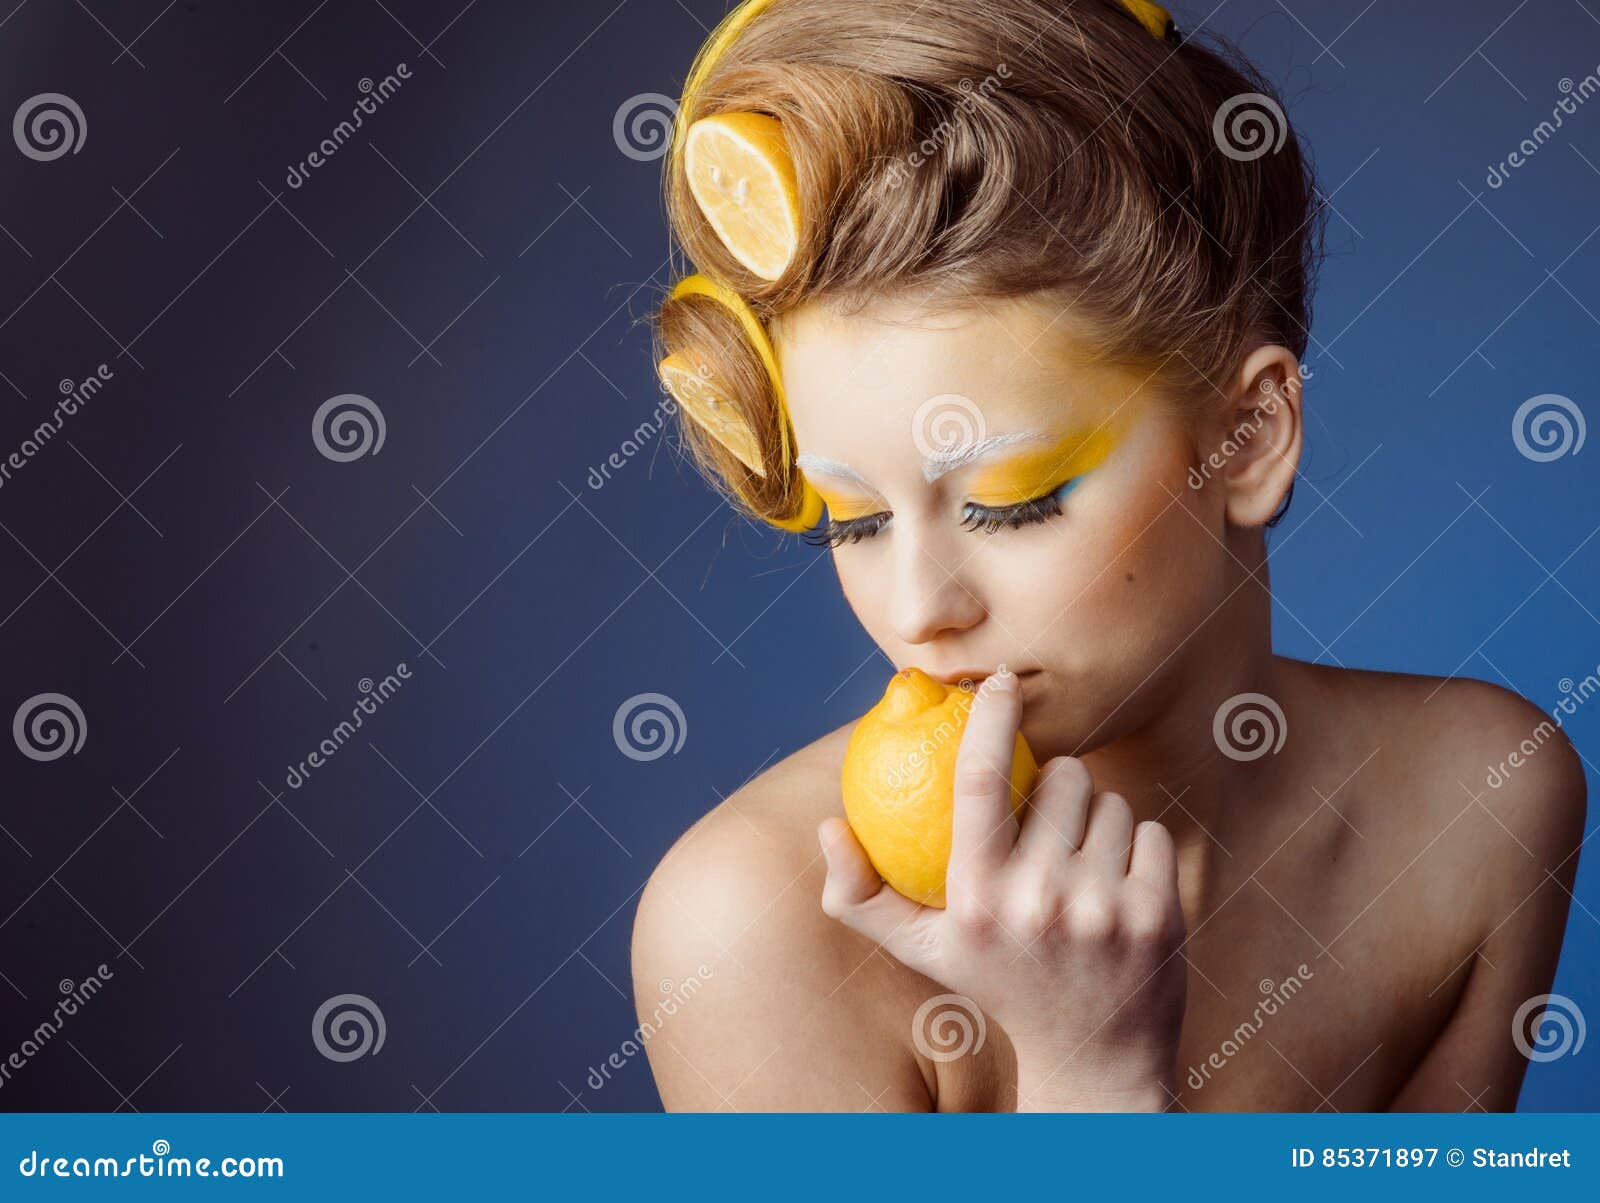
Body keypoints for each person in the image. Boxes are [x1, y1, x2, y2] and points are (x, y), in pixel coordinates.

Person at [630, 0, 1587, 1111]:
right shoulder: (755, 921)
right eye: (855, 520)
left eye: (1008, 501)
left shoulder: (1482, 802)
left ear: (1248, 436)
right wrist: (1089, 1078)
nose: (917, 609)